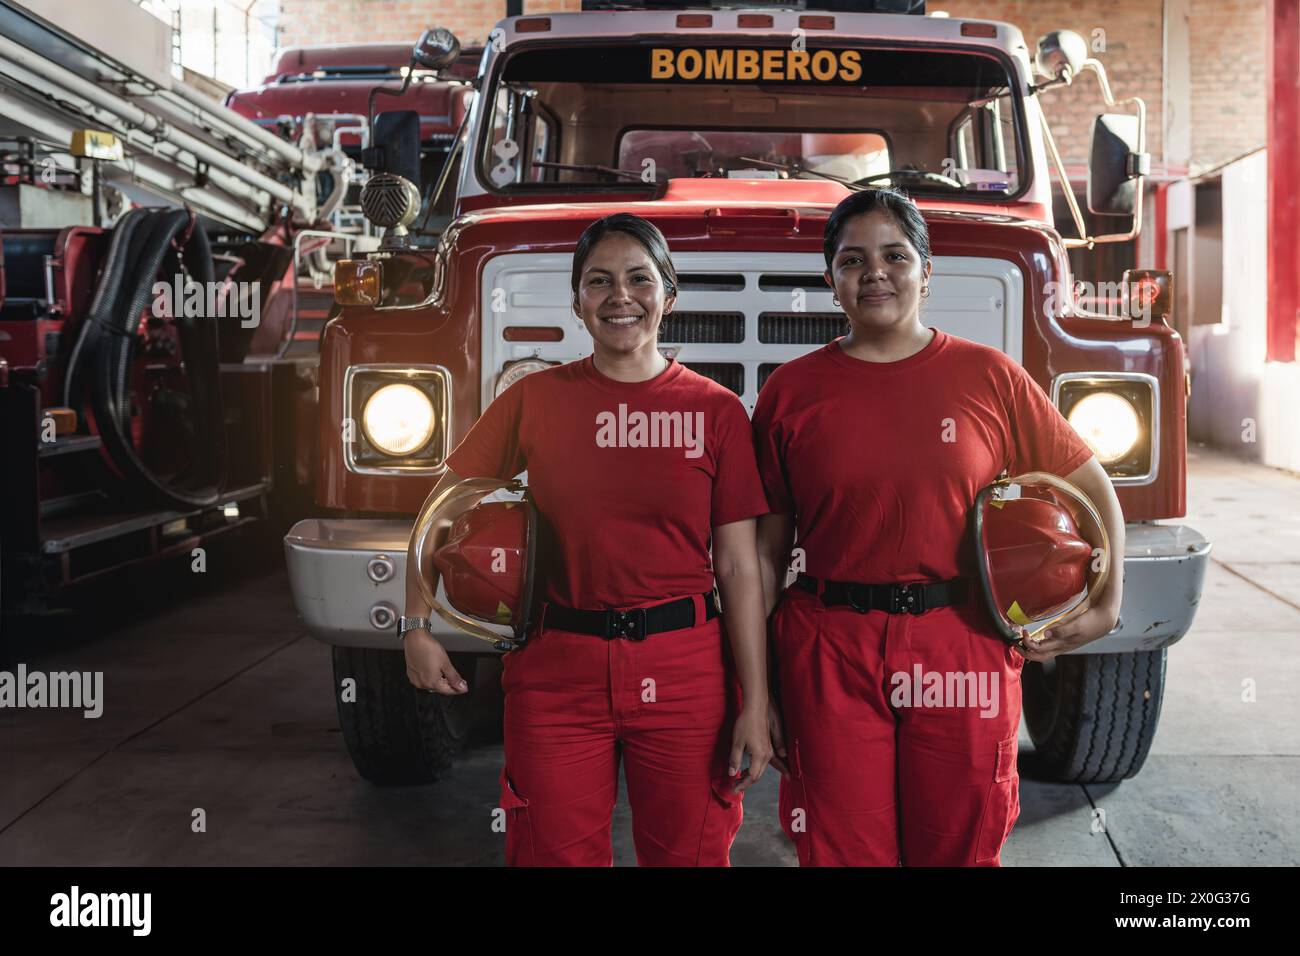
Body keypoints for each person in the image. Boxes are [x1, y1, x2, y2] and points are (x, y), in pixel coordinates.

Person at [752, 187, 1126, 867]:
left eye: (895, 256)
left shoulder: (988, 376)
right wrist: (758, 688)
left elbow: (1091, 484)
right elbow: (764, 553)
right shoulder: (791, 392)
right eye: (852, 260)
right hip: (831, 649)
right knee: (839, 849)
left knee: (959, 846)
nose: (875, 274)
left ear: (926, 272)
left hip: (963, 642)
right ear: (829, 277)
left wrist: (1109, 600)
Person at [403, 212, 774, 866]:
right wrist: (415, 624)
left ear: (668, 295)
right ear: (578, 302)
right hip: (556, 671)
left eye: (638, 279)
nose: (619, 296)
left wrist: (756, 699)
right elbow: (440, 505)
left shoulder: (717, 413)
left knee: (689, 855)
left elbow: (740, 569)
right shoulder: (536, 401)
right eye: (598, 282)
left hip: (685, 671)